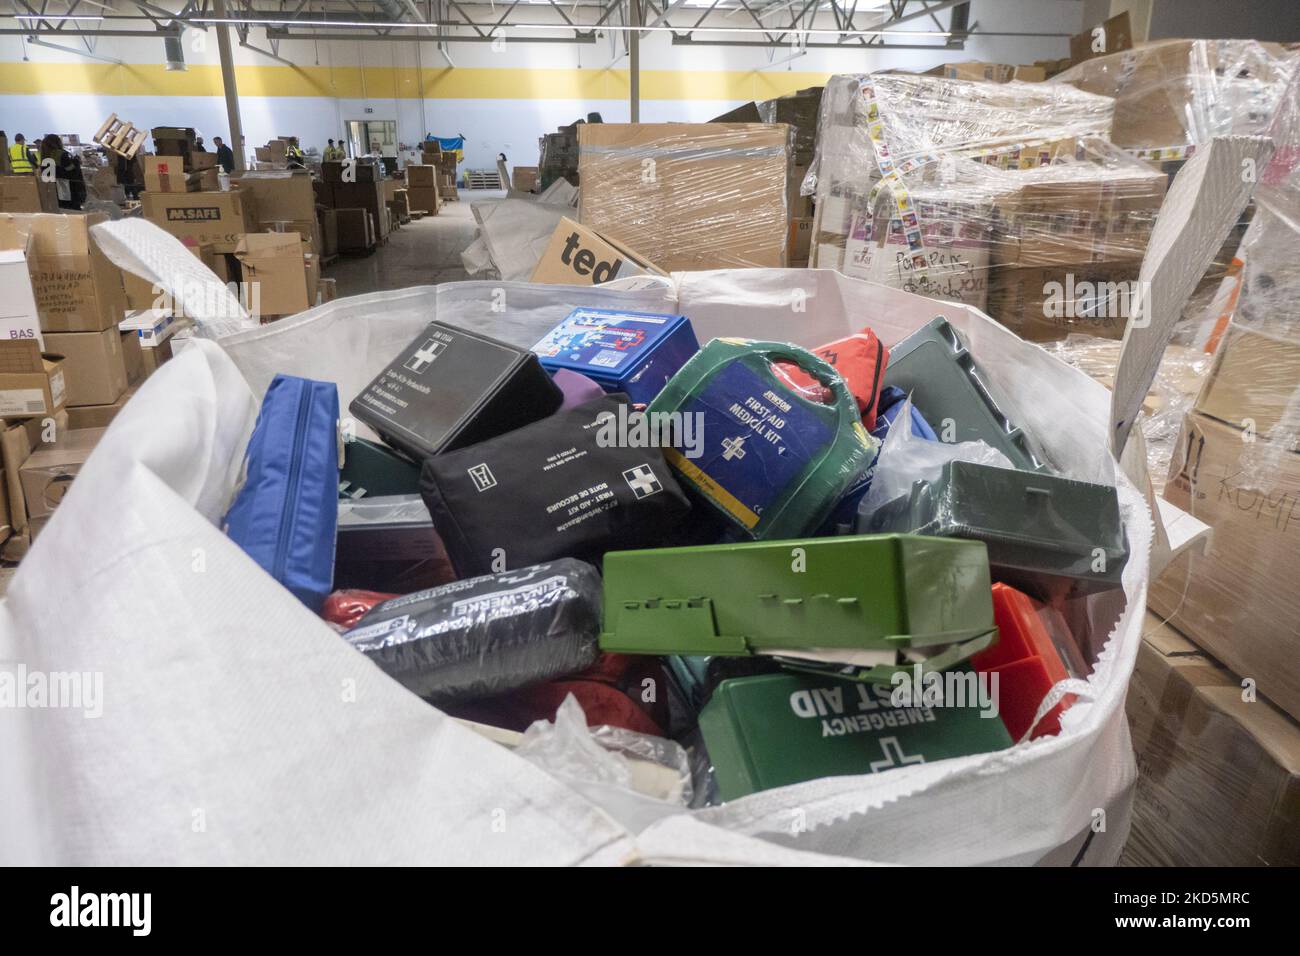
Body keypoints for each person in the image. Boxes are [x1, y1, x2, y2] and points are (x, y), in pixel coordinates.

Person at [40, 134, 85, 210]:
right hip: (65, 190)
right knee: (71, 211)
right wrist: (76, 161)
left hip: (51, 190)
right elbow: (71, 172)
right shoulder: (61, 154)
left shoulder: (44, 155)